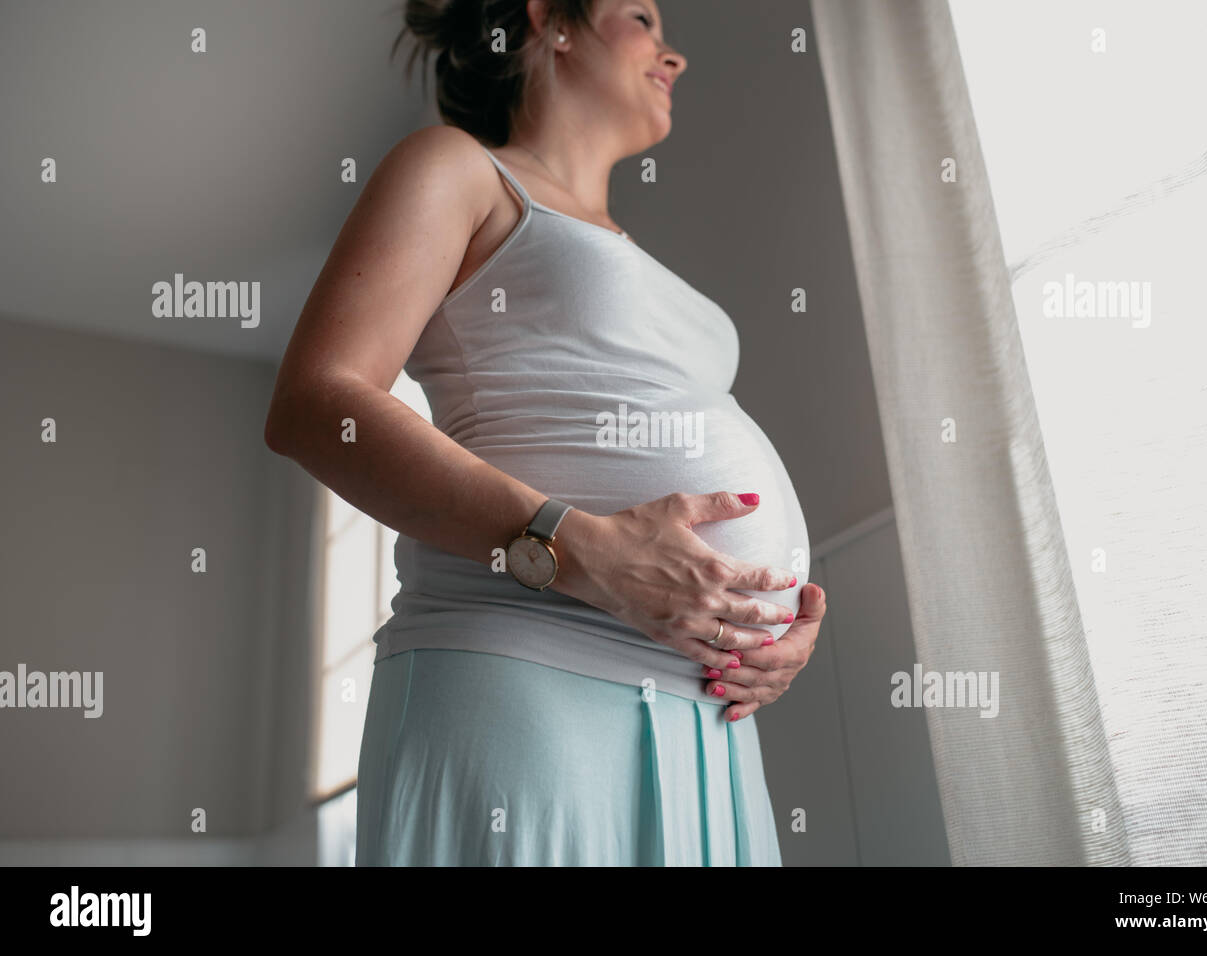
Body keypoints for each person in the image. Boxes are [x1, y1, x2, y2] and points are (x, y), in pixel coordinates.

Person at [263, 0, 827, 866]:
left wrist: (766, 629)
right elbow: (315, 403)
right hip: (527, 678)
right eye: (641, 16)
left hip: (709, 716)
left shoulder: (635, 251)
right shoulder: (457, 168)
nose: (673, 56)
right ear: (549, 21)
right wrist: (579, 549)